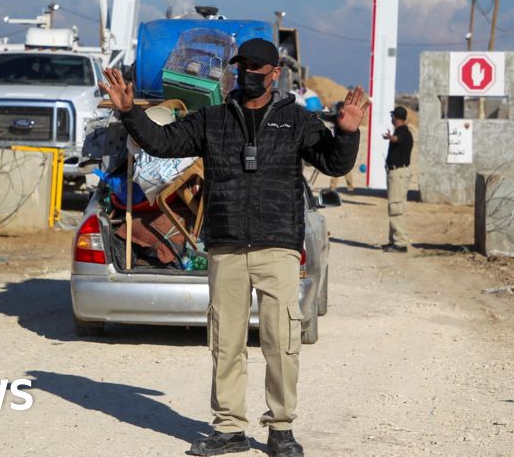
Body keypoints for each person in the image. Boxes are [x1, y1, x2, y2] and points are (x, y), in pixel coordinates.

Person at [99, 38, 366, 457]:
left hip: (277, 247)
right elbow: (163, 143)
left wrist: (346, 133)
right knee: (226, 341)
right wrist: (129, 112)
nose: (248, 77)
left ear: (275, 74)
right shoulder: (213, 119)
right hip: (225, 247)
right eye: (242, 69)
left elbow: (333, 163)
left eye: (257, 71)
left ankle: (280, 430)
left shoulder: (296, 120)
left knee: (281, 341)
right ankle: (229, 428)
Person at [381, 106, 413, 252]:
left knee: (396, 207)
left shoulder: (404, 132)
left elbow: (397, 139)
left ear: (397, 118)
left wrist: (390, 138)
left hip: (398, 173)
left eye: (393, 116)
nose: (391, 119)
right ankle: (393, 239)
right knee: (395, 207)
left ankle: (400, 243)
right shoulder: (401, 131)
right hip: (396, 174)